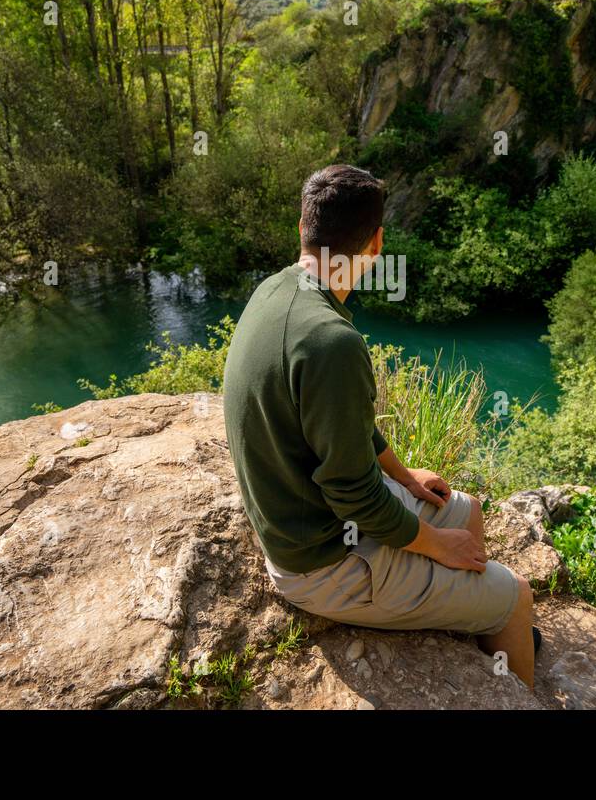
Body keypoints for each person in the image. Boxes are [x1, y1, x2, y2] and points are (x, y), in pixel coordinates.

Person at [223, 163, 537, 689]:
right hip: (323, 565)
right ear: (376, 245)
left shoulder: (278, 290)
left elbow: (344, 424)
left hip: (310, 520)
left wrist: (405, 475)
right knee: (517, 599)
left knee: (466, 510)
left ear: (303, 228)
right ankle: (500, 631)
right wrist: (438, 547)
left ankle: (466, 618)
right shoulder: (332, 341)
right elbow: (352, 493)